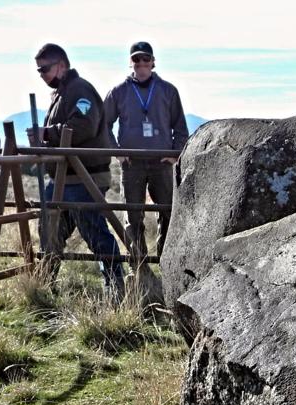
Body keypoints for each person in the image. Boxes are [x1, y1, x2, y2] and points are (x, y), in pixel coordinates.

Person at [28, 43, 124, 298]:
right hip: (66, 177)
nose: (42, 74)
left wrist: (47, 133)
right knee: (51, 231)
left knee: (93, 231)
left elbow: (83, 126)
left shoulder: (79, 90)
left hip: (83, 176)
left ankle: (116, 289)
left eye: (44, 69)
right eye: (39, 70)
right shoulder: (63, 93)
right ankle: (45, 286)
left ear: (61, 65)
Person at [104, 41, 188, 263]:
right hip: (132, 164)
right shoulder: (118, 92)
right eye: (136, 59)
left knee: (169, 212)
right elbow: (103, 124)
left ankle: (167, 262)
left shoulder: (168, 91)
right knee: (132, 215)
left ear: (153, 62)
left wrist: (174, 154)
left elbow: (180, 128)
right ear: (130, 62)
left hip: (162, 163)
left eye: (145, 59)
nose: (141, 63)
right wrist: (117, 152)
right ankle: (139, 265)